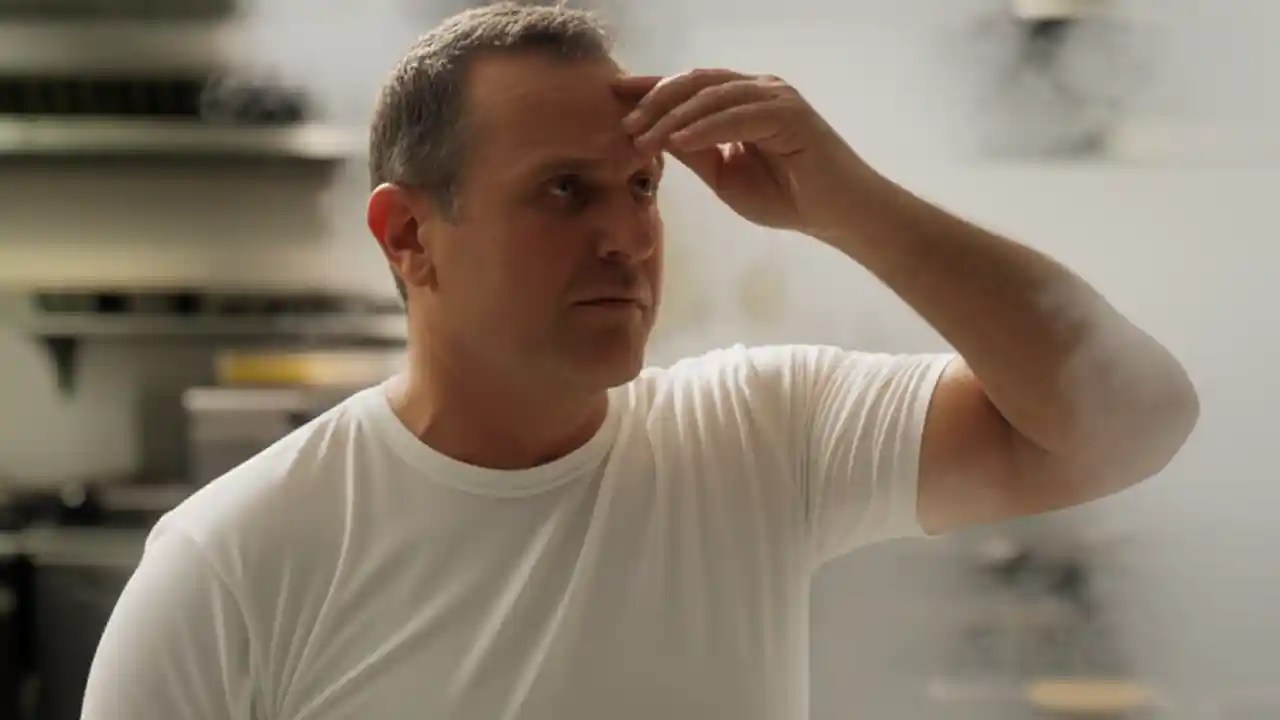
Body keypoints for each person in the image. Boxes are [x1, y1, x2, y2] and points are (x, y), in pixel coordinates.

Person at [82, 4, 1199, 719]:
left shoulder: (759, 432)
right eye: (563, 190)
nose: (627, 234)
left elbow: (1133, 418)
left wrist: (848, 204)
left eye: (642, 188)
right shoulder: (233, 562)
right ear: (408, 235)